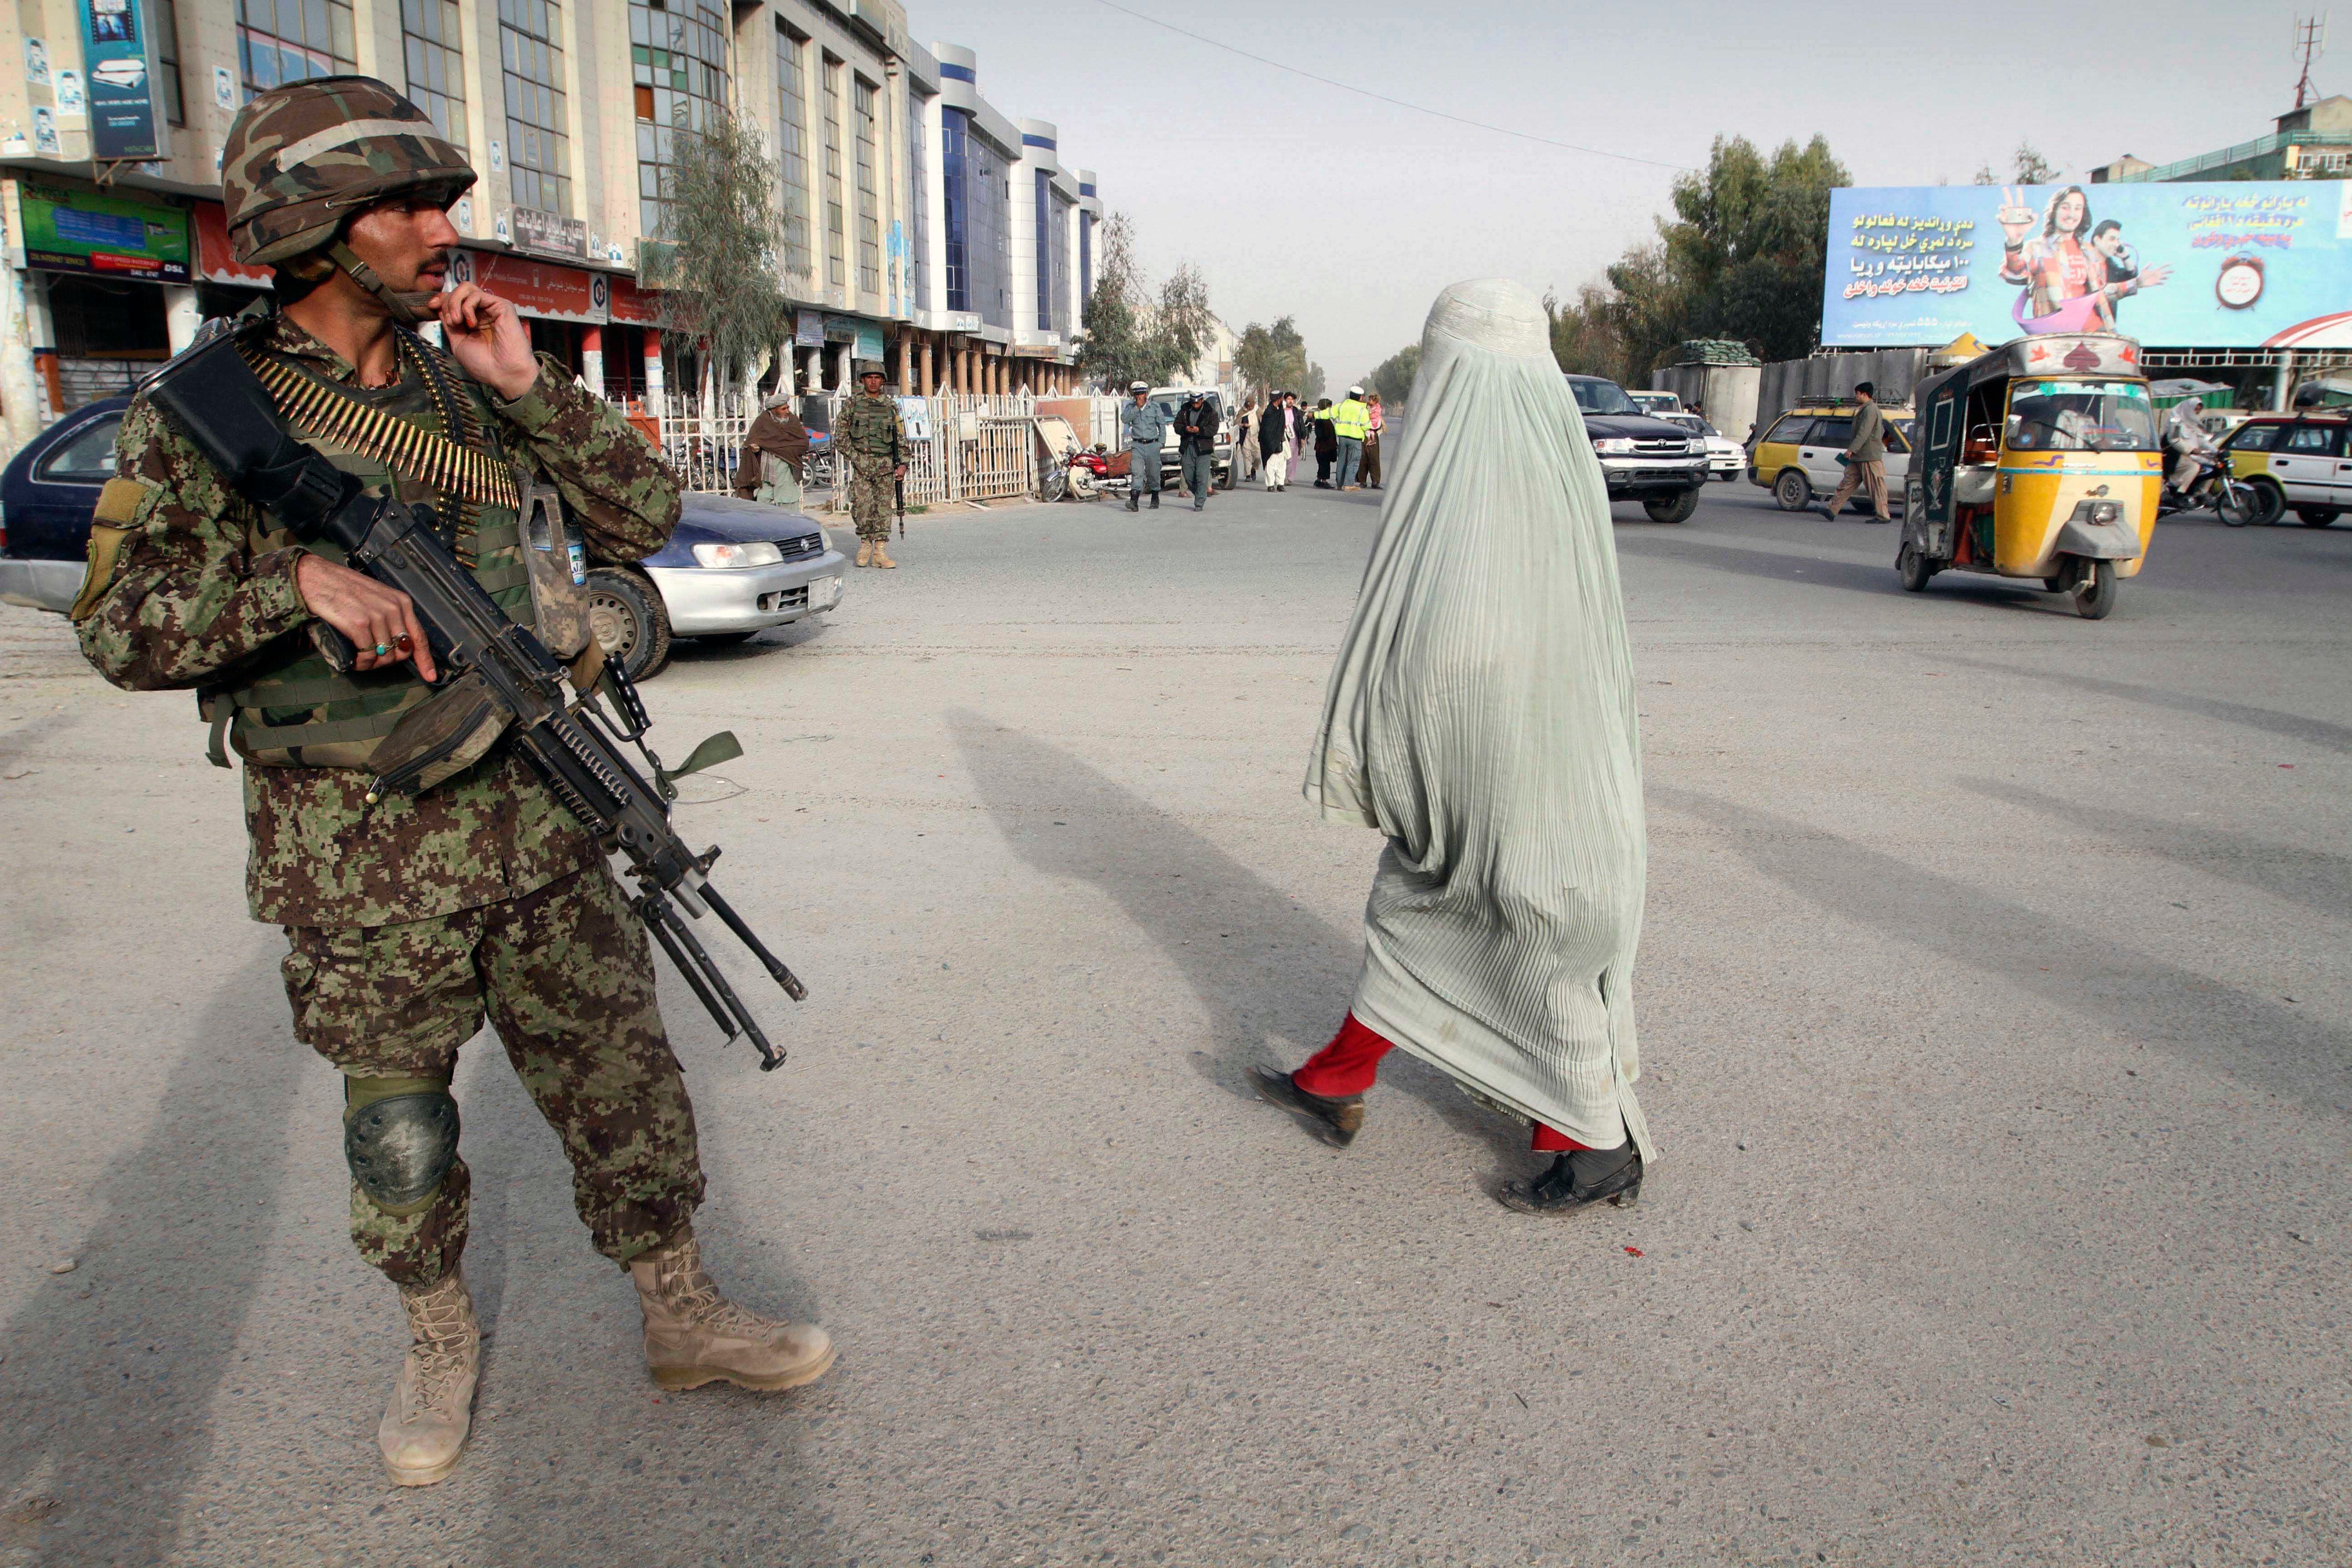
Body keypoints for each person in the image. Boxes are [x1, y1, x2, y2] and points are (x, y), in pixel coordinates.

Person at [71, 75, 832, 1490]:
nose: (443, 233)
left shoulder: (455, 382)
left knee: (626, 1085)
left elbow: (643, 519)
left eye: (442, 204)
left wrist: (529, 389)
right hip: (357, 859)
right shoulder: (203, 416)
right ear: (313, 230)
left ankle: (680, 1312)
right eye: (409, 208)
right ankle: (435, 1338)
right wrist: (287, 576)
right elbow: (122, 627)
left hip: (541, 816)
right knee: (402, 1131)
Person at [1252, 278, 1653, 1215]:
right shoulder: (1561, 472)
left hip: (1515, 777)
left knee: (1517, 919)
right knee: (1430, 910)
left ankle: (1591, 1142)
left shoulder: (1458, 500)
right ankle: (1335, 1079)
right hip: (1578, 767)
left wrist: (1389, 766)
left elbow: (1441, 667)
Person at [839, 363, 906, 567]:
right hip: (862, 466)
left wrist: (903, 464)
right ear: (862, 380)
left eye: (878, 378)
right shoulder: (852, 404)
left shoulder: (891, 406)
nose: (874, 381)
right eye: (869, 378)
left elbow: (900, 437)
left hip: (885, 466)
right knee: (862, 507)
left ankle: (880, 552)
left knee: (884, 509)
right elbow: (841, 437)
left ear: (883, 380)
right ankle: (865, 544)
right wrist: (857, 458)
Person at [1815, 381, 1892, 524]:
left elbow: (1864, 432)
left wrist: (1852, 449)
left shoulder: (1871, 410)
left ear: (1864, 394)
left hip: (1869, 456)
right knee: (1847, 483)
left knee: (1876, 487)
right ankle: (1832, 510)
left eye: (1857, 394)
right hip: (1859, 456)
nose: (1855, 396)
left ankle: (1883, 515)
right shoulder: (1865, 409)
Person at [733, 387, 811, 507]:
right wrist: (754, 449)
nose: (787, 411)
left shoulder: (793, 421)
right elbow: (751, 443)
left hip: (786, 474)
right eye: (783, 409)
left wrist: (785, 450)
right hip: (766, 476)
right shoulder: (762, 421)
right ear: (774, 410)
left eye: (788, 408)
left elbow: (803, 443)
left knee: (789, 511)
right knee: (764, 512)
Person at [1120, 380, 1172, 511]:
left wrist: (1161, 443)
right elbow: (1125, 419)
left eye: (1142, 394)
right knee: (1137, 472)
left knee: (1153, 473)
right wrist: (1136, 408)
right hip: (1138, 445)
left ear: (1146, 394)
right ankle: (1134, 501)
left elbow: (1162, 426)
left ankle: (1155, 497)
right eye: (1137, 394)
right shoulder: (1131, 407)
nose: (1139, 397)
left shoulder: (1154, 407)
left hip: (1152, 445)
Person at [2164, 395, 2218, 496]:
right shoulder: (2176, 421)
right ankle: (2181, 492)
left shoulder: (2193, 423)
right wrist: (2191, 450)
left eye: (2199, 410)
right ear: (2189, 408)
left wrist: (2216, 451)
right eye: (2195, 409)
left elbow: (2202, 440)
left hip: (2191, 455)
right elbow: (2174, 439)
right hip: (2176, 455)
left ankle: (2201, 493)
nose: (2196, 412)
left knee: (2213, 466)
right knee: (2194, 467)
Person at [1176, 390, 1219, 511]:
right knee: (1188, 475)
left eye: (1197, 403)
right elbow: (1177, 425)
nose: (1195, 406)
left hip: (1203, 449)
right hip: (1188, 447)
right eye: (1193, 403)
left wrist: (1200, 430)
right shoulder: (1184, 411)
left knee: (1202, 477)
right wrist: (1186, 429)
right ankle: (1201, 493)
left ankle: (1199, 503)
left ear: (1202, 400)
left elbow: (1214, 429)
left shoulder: (1210, 412)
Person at [1331, 385, 1370, 491]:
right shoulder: (1363, 410)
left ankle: (1339, 484)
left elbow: (1330, 414)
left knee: (1342, 461)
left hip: (1343, 438)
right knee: (1353, 461)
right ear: (1360, 398)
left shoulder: (1342, 406)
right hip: (1355, 439)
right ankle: (1349, 484)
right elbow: (1366, 425)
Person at [1259, 392, 1293, 491]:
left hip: (1281, 441)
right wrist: (1271, 443)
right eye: (1281, 398)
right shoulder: (1269, 413)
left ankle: (1280, 484)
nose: (1283, 400)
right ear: (1277, 400)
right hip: (1270, 444)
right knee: (1271, 465)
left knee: (1282, 464)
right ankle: (1270, 485)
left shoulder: (1280, 410)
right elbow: (1266, 430)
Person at [1229, 393, 1259, 489]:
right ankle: (1248, 474)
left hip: (1257, 437)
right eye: (1249, 406)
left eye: (1252, 406)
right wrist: (1243, 425)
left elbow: (1264, 420)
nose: (1250, 408)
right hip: (1246, 436)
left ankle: (1254, 469)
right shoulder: (1242, 411)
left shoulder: (1257, 410)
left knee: (1257, 456)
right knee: (1247, 456)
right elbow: (1236, 422)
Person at [1361, 392, 1385, 489]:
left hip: (1373, 434)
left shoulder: (1376, 410)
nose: (1369, 401)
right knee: (1363, 459)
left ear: (1375, 401)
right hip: (1365, 435)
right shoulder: (1366, 408)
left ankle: (1375, 481)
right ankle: (1362, 481)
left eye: (1370, 400)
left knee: (1374, 459)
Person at [1312, 398, 1338, 487]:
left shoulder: (1328, 418)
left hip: (1326, 446)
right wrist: (1327, 440)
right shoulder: (1321, 419)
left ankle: (1319, 479)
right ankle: (1324, 481)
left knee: (1323, 464)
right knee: (1325, 464)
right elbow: (1319, 433)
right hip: (1324, 447)